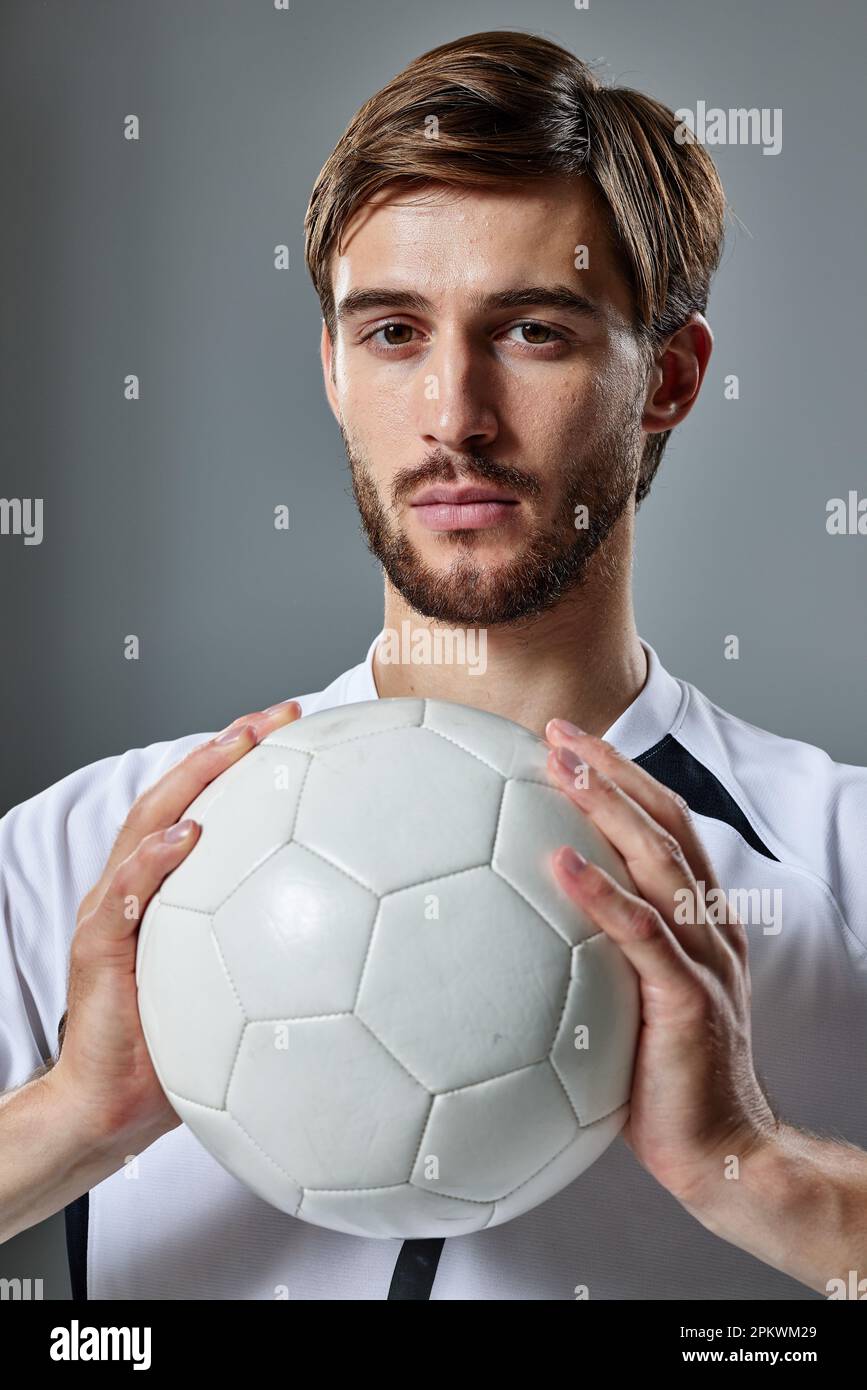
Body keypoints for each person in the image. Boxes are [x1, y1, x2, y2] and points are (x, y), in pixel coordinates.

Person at [2, 30, 865, 1301]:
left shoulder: (840, 867)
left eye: (533, 332)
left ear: (669, 378)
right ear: (336, 371)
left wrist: (756, 1166)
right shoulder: (85, 860)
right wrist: (77, 1113)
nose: (453, 414)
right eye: (396, 332)